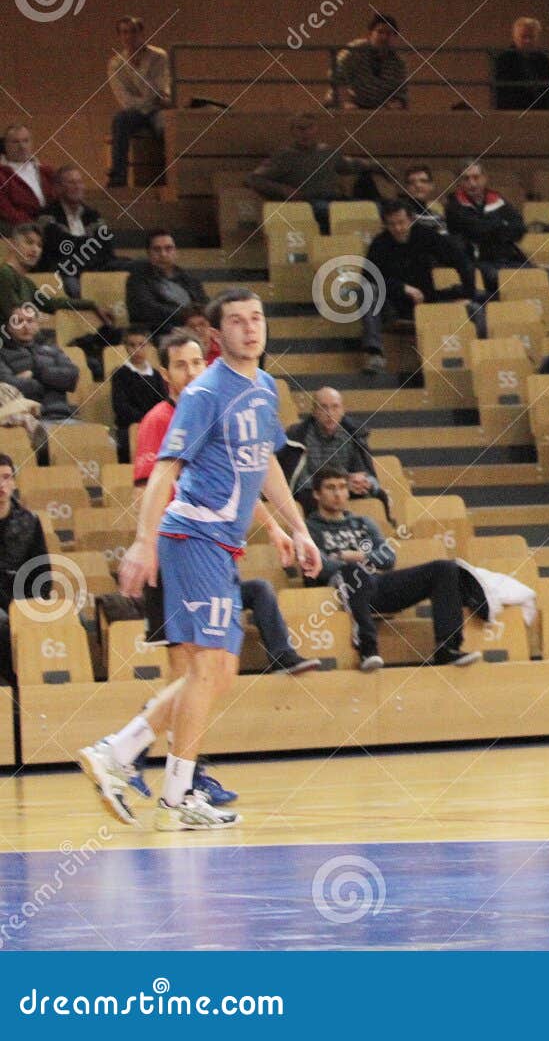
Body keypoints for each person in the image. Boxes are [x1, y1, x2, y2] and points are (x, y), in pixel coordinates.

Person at [79, 290, 320, 831]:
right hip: (192, 536)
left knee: (219, 674)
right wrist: (143, 542)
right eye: (236, 321)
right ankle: (161, 786)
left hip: (222, 544)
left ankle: (126, 758)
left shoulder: (265, 387)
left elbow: (266, 463)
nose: (250, 328)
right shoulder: (207, 392)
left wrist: (295, 528)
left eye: (257, 318)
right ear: (217, 335)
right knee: (205, 669)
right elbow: (164, 470)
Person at [134, 329, 318, 692]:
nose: (191, 372)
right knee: (186, 661)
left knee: (213, 665)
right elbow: (147, 489)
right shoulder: (159, 420)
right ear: (165, 374)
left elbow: (237, 482)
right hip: (177, 545)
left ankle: (152, 729)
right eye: (180, 365)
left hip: (212, 549)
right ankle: (152, 727)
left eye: (197, 362)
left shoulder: (219, 409)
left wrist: (274, 527)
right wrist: (148, 544)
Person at [305, 467, 479, 671]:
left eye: (343, 487)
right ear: (316, 494)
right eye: (330, 488)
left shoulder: (363, 523)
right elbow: (321, 567)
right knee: (353, 571)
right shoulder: (309, 528)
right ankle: (367, 649)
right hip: (339, 590)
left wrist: (352, 555)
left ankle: (447, 648)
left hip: (377, 584)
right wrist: (357, 562)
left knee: (445, 568)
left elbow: (388, 558)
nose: (338, 494)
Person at [359, 200, 475, 375]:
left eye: (401, 222)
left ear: (411, 219)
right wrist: (402, 288)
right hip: (392, 306)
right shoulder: (380, 244)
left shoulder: (425, 236)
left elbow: (460, 260)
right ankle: (374, 353)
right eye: (392, 224)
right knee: (366, 290)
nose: (397, 228)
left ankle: (477, 357)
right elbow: (368, 278)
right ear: (385, 225)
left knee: (474, 308)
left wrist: (468, 294)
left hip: (426, 302)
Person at [244, 113, 388, 233]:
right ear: (292, 131)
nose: (305, 133)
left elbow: (350, 164)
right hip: (308, 202)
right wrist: (284, 190)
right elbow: (253, 178)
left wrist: (379, 166)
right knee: (330, 211)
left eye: (309, 128)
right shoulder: (284, 156)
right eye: (300, 129)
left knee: (375, 208)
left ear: (316, 129)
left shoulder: (326, 151)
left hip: (336, 199)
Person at [2, 223, 116, 331]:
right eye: (29, 242)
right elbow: (15, 316)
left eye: (39, 245)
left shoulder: (27, 282)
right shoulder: (4, 274)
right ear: (12, 244)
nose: (35, 249)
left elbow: (53, 303)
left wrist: (92, 305)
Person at [284, 387, 381, 508]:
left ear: (342, 411)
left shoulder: (354, 435)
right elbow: (298, 483)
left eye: (335, 407)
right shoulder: (298, 436)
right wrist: (340, 485)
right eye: (323, 407)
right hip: (312, 497)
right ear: (314, 412)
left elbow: (370, 477)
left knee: (371, 495)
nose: (329, 413)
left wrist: (365, 482)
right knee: (309, 495)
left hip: (347, 492)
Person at [444, 160, 527, 300]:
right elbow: (477, 230)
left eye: (476, 177)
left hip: (509, 258)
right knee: (497, 279)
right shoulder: (453, 206)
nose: (472, 183)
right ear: (459, 183)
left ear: (485, 178)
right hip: (480, 262)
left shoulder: (497, 199)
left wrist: (491, 228)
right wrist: (501, 225)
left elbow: (520, 228)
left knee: (548, 276)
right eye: (466, 179)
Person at [0, 454, 50, 685]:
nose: (1, 485)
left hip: (22, 599)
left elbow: (42, 573)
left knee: (69, 618)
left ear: (14, 482)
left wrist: (33, 606)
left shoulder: (30, 522)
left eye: (6, 477)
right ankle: (17, 687)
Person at [107, 15, 172, 187]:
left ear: (142, 33)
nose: (129, 36)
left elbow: (160, 89)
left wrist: (152, 98)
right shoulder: (116, 64)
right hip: (137, 111)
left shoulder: (158, 56)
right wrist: (149, 101)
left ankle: (169, 178)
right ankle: (118, 178)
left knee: (165, 127)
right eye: (124, 32)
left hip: (159, 110)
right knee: (120, 120)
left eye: (133, 31)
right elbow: (124, 99)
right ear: (120, 36)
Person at [38, 165, 117, 292]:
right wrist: (90, 243)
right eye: (71, 182)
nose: (77, 187)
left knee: (134, 266)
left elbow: (107, 247)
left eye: (80, 182)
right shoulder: (47, 215)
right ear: (58, 188)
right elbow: (62, 246)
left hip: (96, 268)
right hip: (64, 272)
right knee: (74, 284)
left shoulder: (93, 215)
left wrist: (81, 244)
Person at [0, 309, 79, 420]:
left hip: (61, 414)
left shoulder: (53, 349)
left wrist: (36, 374)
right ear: (9, 327)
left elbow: (72, 377)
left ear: (37, 325)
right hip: (25, 419)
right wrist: (54, 383)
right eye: (18, 322)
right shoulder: (2, 354)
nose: (25, 326)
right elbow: (8, 386)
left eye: (30, 321)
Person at [331, 13, 409, 110]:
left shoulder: (399, 63)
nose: (384, 37)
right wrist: (346, 102)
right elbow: (337, 76)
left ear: (395, 37)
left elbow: (401, 95)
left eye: (389, 34)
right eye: (380, 32)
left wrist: (391, 107)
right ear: (370, 34)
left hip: (378, 109)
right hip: (349, 103)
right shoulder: (355, 51)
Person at [111, 327, 166, 462]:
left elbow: (163, 402)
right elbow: (120, 406)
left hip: (155, 425)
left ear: (149, 347)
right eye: (132, 345)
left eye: (141, 345)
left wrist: (153, 421)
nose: (137, 349)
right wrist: (144, 420)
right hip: (129, 427)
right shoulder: (120, 374)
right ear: (125, 347)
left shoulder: (157, 375)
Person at [492, 16, 549, 111]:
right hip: (513, 110)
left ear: (537, 38)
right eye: (523, 37)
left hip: (541, 110)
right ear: (515, 37)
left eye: (531, 37)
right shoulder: (504, 59)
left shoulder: (543, 59)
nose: (527, 41)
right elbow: (502, 92)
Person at [0, 124, 54, 225]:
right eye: (15, 142)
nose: (22, 146)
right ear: (5, 145)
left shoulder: (46, 171)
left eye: (25, 141)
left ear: (31, 143)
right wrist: (34, 226)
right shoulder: (2, 175)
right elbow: (6, 211)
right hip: (19, 228)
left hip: (51, 224)